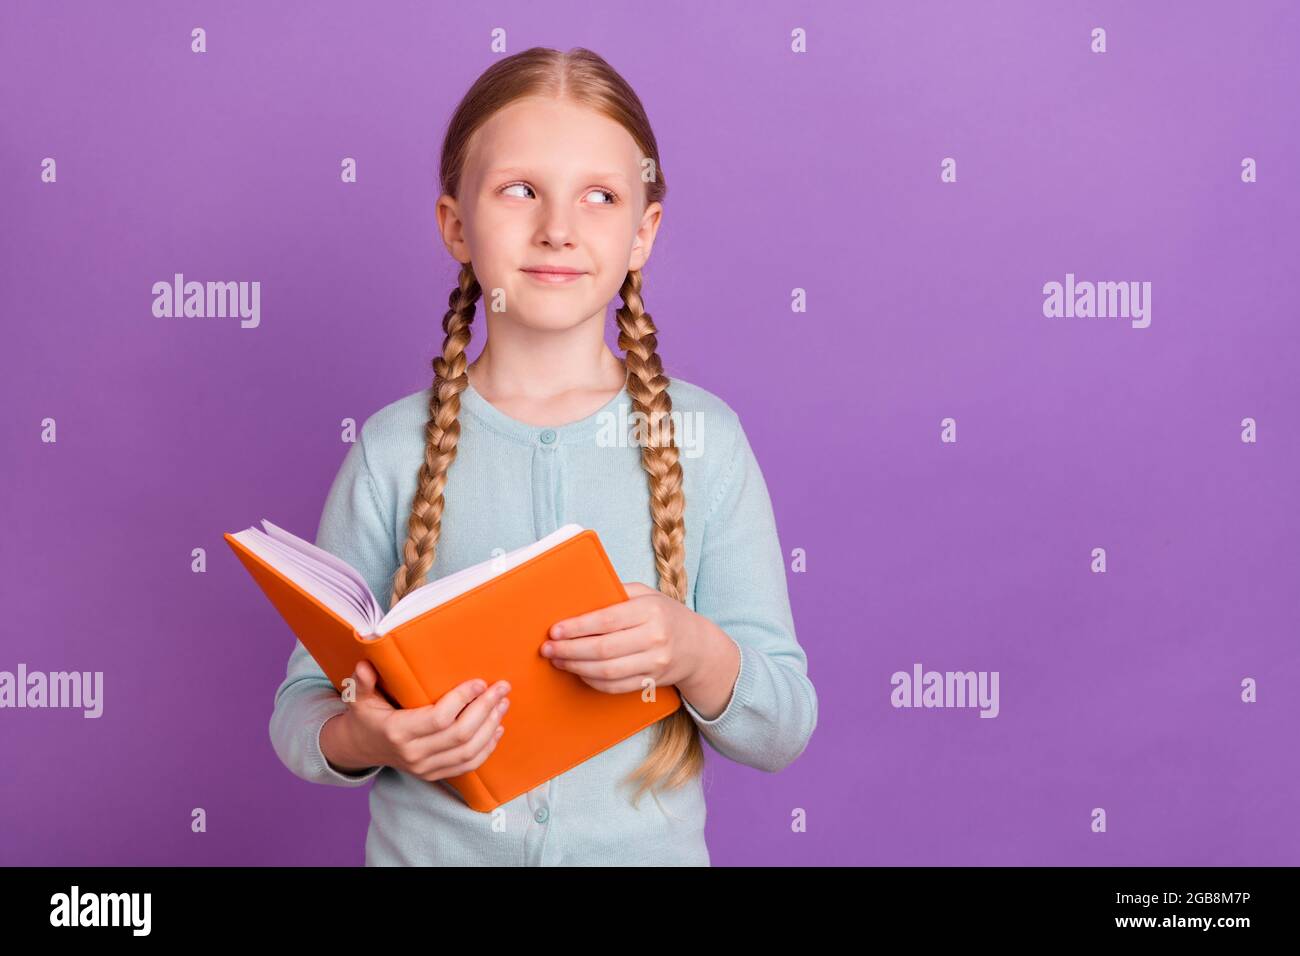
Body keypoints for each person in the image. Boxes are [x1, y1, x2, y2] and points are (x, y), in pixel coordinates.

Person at [268, 46, 817, 865]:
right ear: (456, 224)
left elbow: (783, 727)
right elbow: (299, 712)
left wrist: (696, 651)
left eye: (600, 196)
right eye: (519, 190)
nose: (557, 227)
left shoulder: (706, 443)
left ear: (644, 231)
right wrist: (366, 735)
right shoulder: (390, 450)